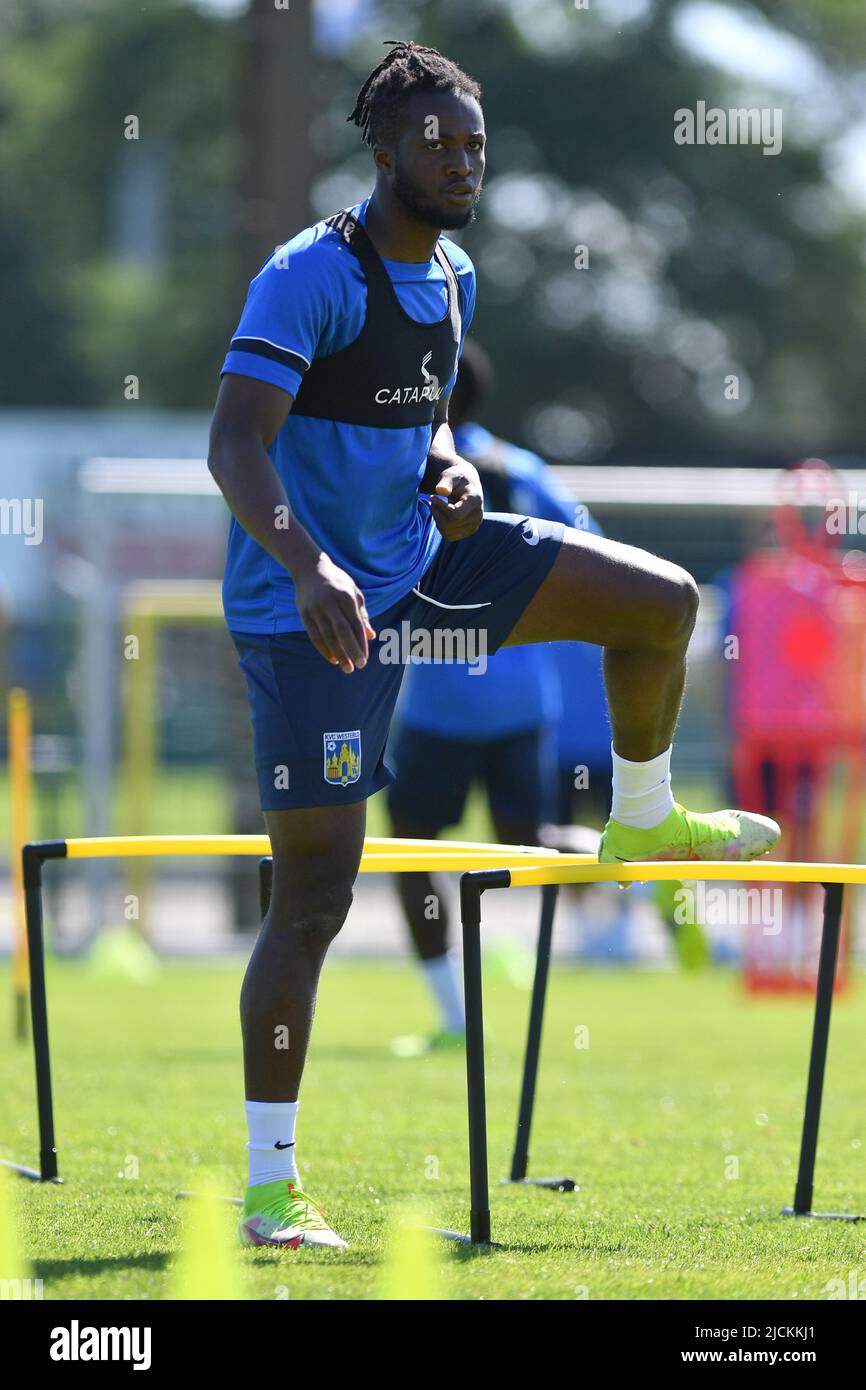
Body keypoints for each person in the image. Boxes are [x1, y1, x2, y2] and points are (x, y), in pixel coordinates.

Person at [207, 40, 780, 1251]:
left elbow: (418, 437)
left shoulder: (454, 273)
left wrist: (450, 469)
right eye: (437, 142)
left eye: (472, 143)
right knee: (312, 895)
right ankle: (269, 1190)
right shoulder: (308, 274)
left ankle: (640, 811)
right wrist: (306, 566)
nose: (460, 161)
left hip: (424, 563)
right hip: (304, 608)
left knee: (659, 602)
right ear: (382, 150)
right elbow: (236, 447)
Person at [385, 337, 604, 1055]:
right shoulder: (523, 469)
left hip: (438, 704)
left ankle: (454, 1015)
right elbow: (596, 551)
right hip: (520, 699)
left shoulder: (404, 468)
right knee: (530, 844)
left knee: (412, 854)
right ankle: (631, 868)